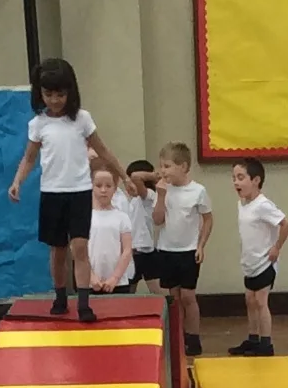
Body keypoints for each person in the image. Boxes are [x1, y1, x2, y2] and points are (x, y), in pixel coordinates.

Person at [7, 57, 125, 322]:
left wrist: (123, 175)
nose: (55, 100)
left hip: (80, 192)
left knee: (80, 248)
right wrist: (17, 182)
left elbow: (103, 150)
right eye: (48, 94)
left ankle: (83, 302)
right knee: (57, 250)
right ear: (40, 94)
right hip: (52, 192)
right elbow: (29, 158)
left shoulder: (82, 120)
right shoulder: (38, 124)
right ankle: (60, 296)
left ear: (70, 92)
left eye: (60, 94)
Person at [150, 142, 212, 359]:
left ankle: (193, 337)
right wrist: (159, 196)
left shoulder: (198, 191)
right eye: (162, 166)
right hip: (167, 249)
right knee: (174, 296)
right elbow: (157, 220)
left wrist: (201, 245)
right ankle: (178, 337)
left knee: (188, 295)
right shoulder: (163, 190)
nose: (163, 171)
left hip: (188, 251)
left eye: (167, 166)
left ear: (183, 166)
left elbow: (207, 219)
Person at [229, 158, 288, 357]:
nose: (236, 182)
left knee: (261, 302)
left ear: (255, 180)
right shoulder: (242, 204)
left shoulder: (263, 205)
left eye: (241, 178)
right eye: (234, 178)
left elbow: (285, 224)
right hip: (250, 262)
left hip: (265, 262)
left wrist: (276, 248)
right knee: (250, 300)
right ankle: (253, 338)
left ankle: (266, 343)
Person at [86, 166, 135, 293]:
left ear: (114, 188)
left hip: (118, 283)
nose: (103, 190)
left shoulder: (122, 217)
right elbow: (78, 250)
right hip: (90, 283)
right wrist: (90, 276)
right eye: (98, 185)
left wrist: (114, 278)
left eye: (108, 186)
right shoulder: (84, 217)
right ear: (91, 186)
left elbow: (127, 250)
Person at [123, 160, 158, 291]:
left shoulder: (148, 197)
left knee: (158, 293)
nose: (127, 185)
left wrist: (153, 176)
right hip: (131, 253)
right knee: (128, 292)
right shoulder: (129, 201)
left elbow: (135, 177)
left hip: (147, 253)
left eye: (129, 182)